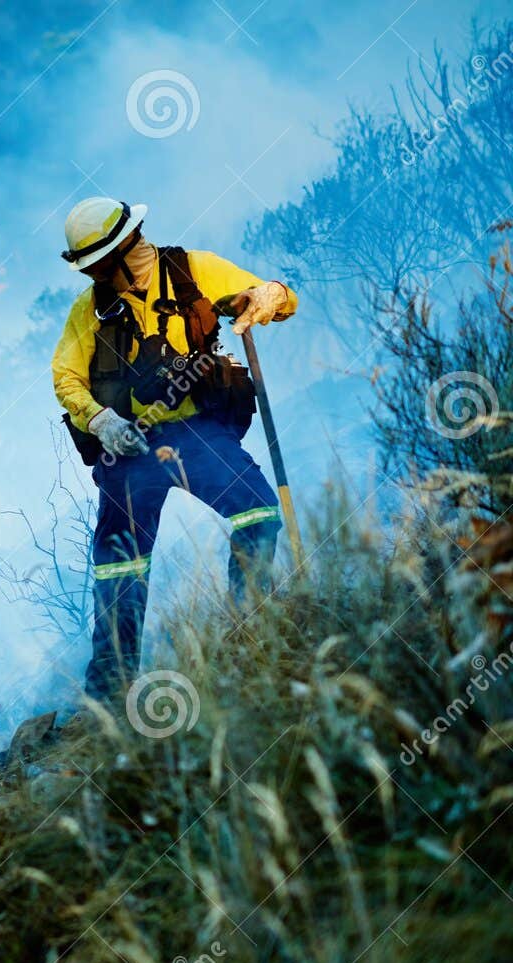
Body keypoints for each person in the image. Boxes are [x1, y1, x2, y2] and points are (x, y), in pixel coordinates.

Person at [52, 197, 297, 703]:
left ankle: (248, 639)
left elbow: (274, 296)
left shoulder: (193, 272)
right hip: (130, 448)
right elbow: (66, 376)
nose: (91, 274)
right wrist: (101, 420)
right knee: (119, 563)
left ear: (121, 250)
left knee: (257, 511)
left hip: (194, 433)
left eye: (96, 263)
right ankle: (110, 692)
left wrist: (267, 294)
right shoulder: (89, 310)